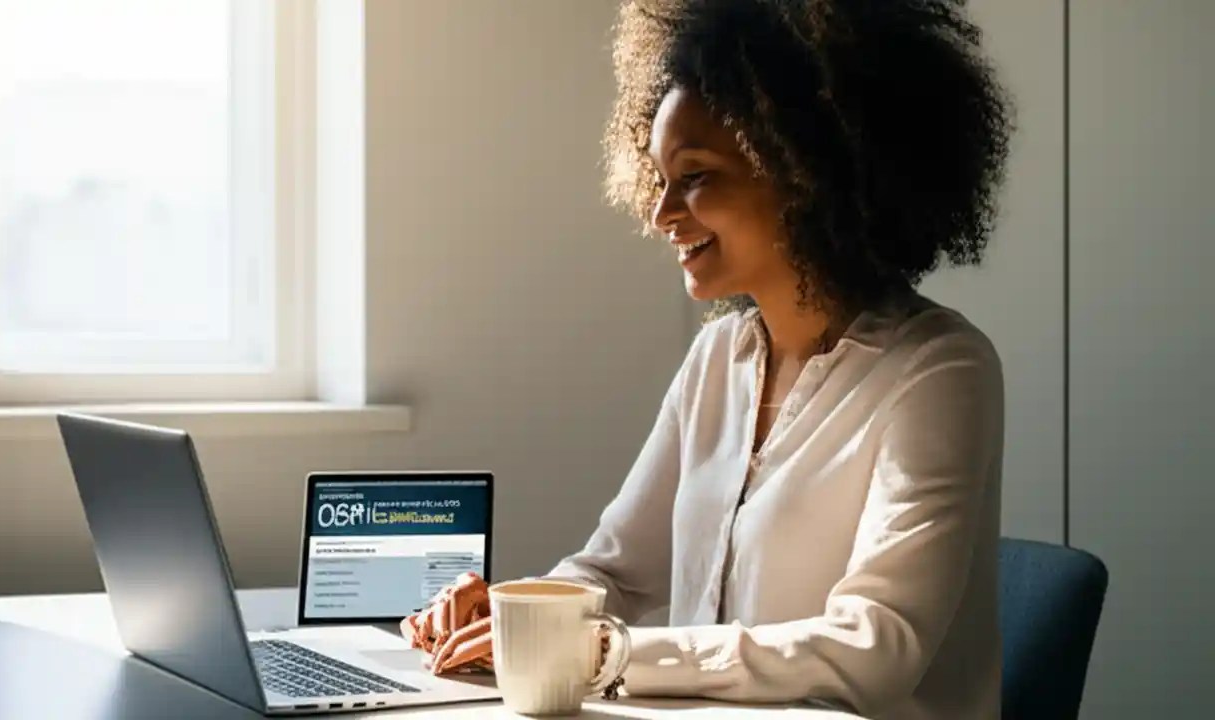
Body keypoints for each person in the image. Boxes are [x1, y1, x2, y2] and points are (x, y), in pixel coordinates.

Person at [402, 0, 1012, 716]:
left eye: (695, 176)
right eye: (659, 177)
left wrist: (612, 654)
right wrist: (511, 615)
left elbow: (873, 647)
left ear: (803, 169)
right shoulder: (717, 359)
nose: (662, 212)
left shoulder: (938, 370)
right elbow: (617, 571)